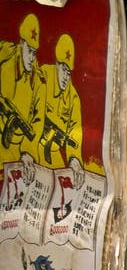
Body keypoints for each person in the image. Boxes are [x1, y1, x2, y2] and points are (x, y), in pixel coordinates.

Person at [0, 12, 46, 168]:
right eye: (29, 51)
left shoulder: (39, 80)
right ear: (21, 43)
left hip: (18, 149)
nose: (32, 57)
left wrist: (28, 151)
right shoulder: (5, 54)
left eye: (35, 52)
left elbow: (39, 120)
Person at [39, 33, 84, 187]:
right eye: (64, 70)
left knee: (62, 185)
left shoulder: (73, 97)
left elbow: (74, 132)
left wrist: (75, 160)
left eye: (69, 72)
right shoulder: (43, 76)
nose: (66, 76)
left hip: (52, 151)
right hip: (33, 145)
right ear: (57, 64)